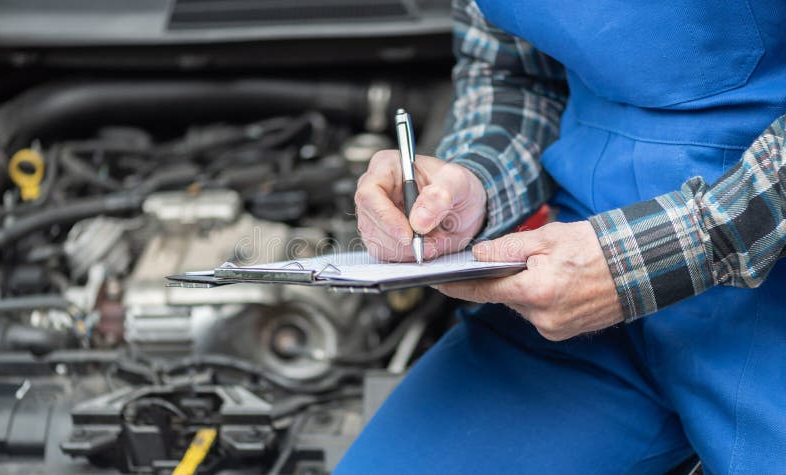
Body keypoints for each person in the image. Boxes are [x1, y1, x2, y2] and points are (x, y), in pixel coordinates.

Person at [336, 0, 786, 473]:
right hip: (566, 292)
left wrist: (667, 251)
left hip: (766, 297)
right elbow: (516, 76)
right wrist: (470, 185)